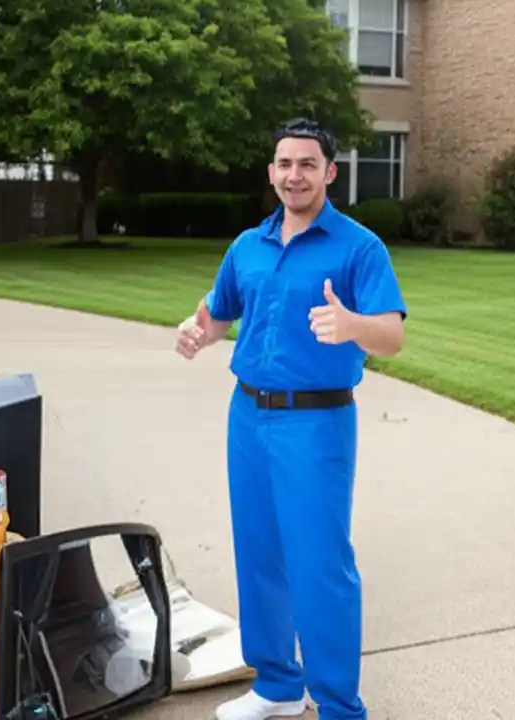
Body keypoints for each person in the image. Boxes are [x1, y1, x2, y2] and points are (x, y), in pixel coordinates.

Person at [175, 118, 407, 720]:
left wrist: (353, 326)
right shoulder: (247, 246)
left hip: (316, 424)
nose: (294, 174)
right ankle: (277, 686)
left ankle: (337, 707)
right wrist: (197, 331)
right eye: (284, 163)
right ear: (271, 171)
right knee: (259, 551)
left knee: (320, 563)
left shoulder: (359, 248)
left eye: (307, 164)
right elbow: (220, 310)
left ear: (330, 172)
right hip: (247, 415)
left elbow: (393, 334)